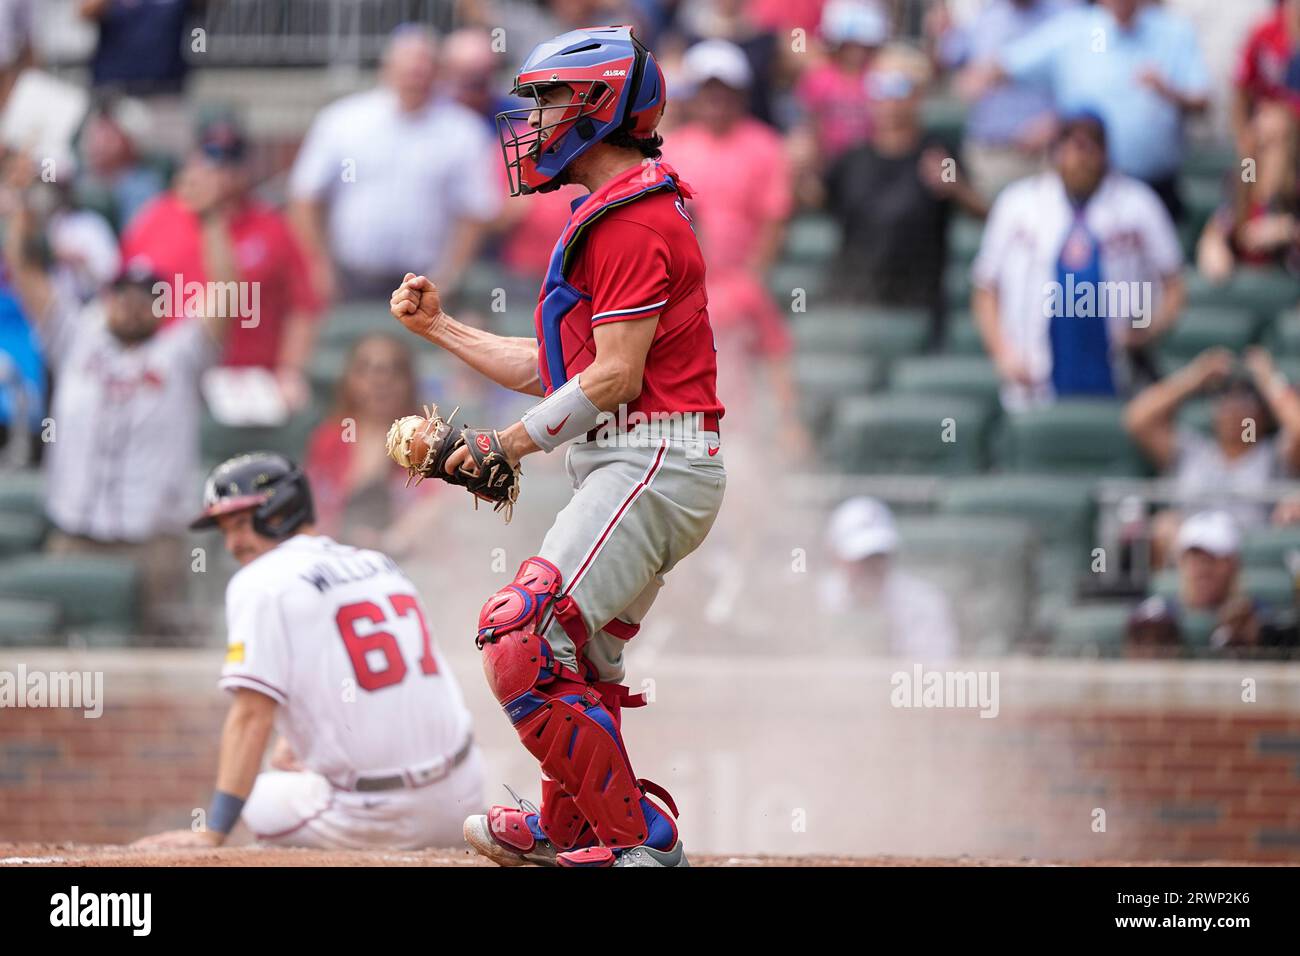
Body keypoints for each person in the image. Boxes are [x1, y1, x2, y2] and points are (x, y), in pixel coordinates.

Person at [389, 25, 724, 868]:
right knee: (575, 656)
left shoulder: (633, 219)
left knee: (522, 635)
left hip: (653, 458)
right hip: (639, 462)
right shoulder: (618, 211)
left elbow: (611, 380)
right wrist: (441, 330)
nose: (533, 121)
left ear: (602, 105)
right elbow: (560, 373)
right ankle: (572, 827)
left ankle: (634, 845)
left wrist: (502, 449)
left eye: (550, 100)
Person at [135, 453, 482, 850]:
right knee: (294, 764)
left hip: (380, 814)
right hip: (465, 796)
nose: (233, 544)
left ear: (280, 510)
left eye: (241, 524)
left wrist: (214, 830)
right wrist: (305, 744)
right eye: (225, 530)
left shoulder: (261, 580)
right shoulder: (376, 562)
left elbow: (251, 715)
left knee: (262, 798)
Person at [28, 256, 221, 639]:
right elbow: (27, 272)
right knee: (55, 656)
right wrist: (22, 220)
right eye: (122, 294)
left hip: (153, 546)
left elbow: (226, 303)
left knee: (155, 657)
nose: (133, 304)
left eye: (147, 297)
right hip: (75, 536)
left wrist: (212, 220)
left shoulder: (180, 354)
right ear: (107, 299)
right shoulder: (75, 341)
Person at [973, 111, 1185, 409]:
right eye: (1072, 146)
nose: (1080, 158)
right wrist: (1002, 354)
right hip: (1032, 374)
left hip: (1120, 373)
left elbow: (1174, 283)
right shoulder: (1018, 203)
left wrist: (1152, 328)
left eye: (1090, 147)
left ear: (1105, 152)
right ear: (1056, 150)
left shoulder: (1138, 203)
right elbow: (986, 289)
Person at [288, 25, 502, 305]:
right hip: (350, 277)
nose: (415, 79)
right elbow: (305, 197)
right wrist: (318, 264)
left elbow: (475, 211)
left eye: (422, 71)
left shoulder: (463, 131)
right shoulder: (342, 120)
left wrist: (451, 274)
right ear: (386, 68)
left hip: (425, 282)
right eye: (407, 70)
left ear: (437, 73)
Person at [122, 114, 323, 410]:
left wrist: (289, 371)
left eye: (231, 160)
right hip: (165, 374)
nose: (220, 171)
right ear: (192, 161)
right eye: (211, 157)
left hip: (247, 382)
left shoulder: (272, 226)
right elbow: (124, 296)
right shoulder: (156, 217)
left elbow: (303, 307)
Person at [965, 0, 1210, 221]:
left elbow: (1203, 101)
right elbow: (1006, 65)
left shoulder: (1174, 32)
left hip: (1154, 185)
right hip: (1084, 190)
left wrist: (1168, 91)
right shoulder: (1074, 30)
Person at [822, 43, 987, 326]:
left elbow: (984, 213)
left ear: (918, 95)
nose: (887, 99)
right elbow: (815, 197)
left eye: (897, 87)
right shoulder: (851, 157)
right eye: (878, 86)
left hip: (918, 306)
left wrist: (955, 187)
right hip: (854, 303)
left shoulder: (940, 153)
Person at [1124, 346, 1300, 558]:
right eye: (1224, 397)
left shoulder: (1274, 456)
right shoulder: (1190, 450)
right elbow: (1137, 419)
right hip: (1190, 556)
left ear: (1263, 413)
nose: (1233, 408)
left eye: (1245, 399)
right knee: (1163, 525)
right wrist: (1195, 377)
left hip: (1247, 555)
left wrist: (1268, 379)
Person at [304, 334, 442, 556]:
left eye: (393, 371)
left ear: (409, 381)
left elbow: (437, 504)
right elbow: (314, 509)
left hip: (410, 561)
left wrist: (392, 541)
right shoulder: (329, 438)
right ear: (349, 380)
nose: (380, 381)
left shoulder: (430, 439)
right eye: (366, 369)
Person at [945, 0, 1071, 198]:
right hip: (992, 155)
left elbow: (1087, 83)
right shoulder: (983, 17)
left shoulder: (1067, 15)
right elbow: (952, 67)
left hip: (1049, 156)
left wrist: (1057, 121)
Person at [1124, 510, 1290, 655]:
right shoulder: (1154, 617)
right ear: (1181, 562)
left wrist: (1258, 640)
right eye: (1194, 558)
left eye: (1213, 559)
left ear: (1233, 565)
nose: (1202, 570)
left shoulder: (1260, 617)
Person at [820, 497, 959, 661]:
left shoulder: (924, 603)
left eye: (879, 556)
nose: (871, 566)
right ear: (836, 556)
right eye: (861, 558)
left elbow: (935, 670)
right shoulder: (816, 600)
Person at [1198, 102, 1300, 281]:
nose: (1263, 117)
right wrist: (1213, 241)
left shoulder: (1294, 176)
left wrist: (1286, 230)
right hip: (1246, 274)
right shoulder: (1249, 167)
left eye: (1270, 111)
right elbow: (1227, 216)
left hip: (1286, 279)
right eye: (1260, 113)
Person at [795, 0, 890, 167]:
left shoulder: (880, 76)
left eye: (863, 45)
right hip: (829, 160)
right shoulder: (818, 78)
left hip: (872, 161)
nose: (856, 52)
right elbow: (811, 122)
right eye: (849, 45)